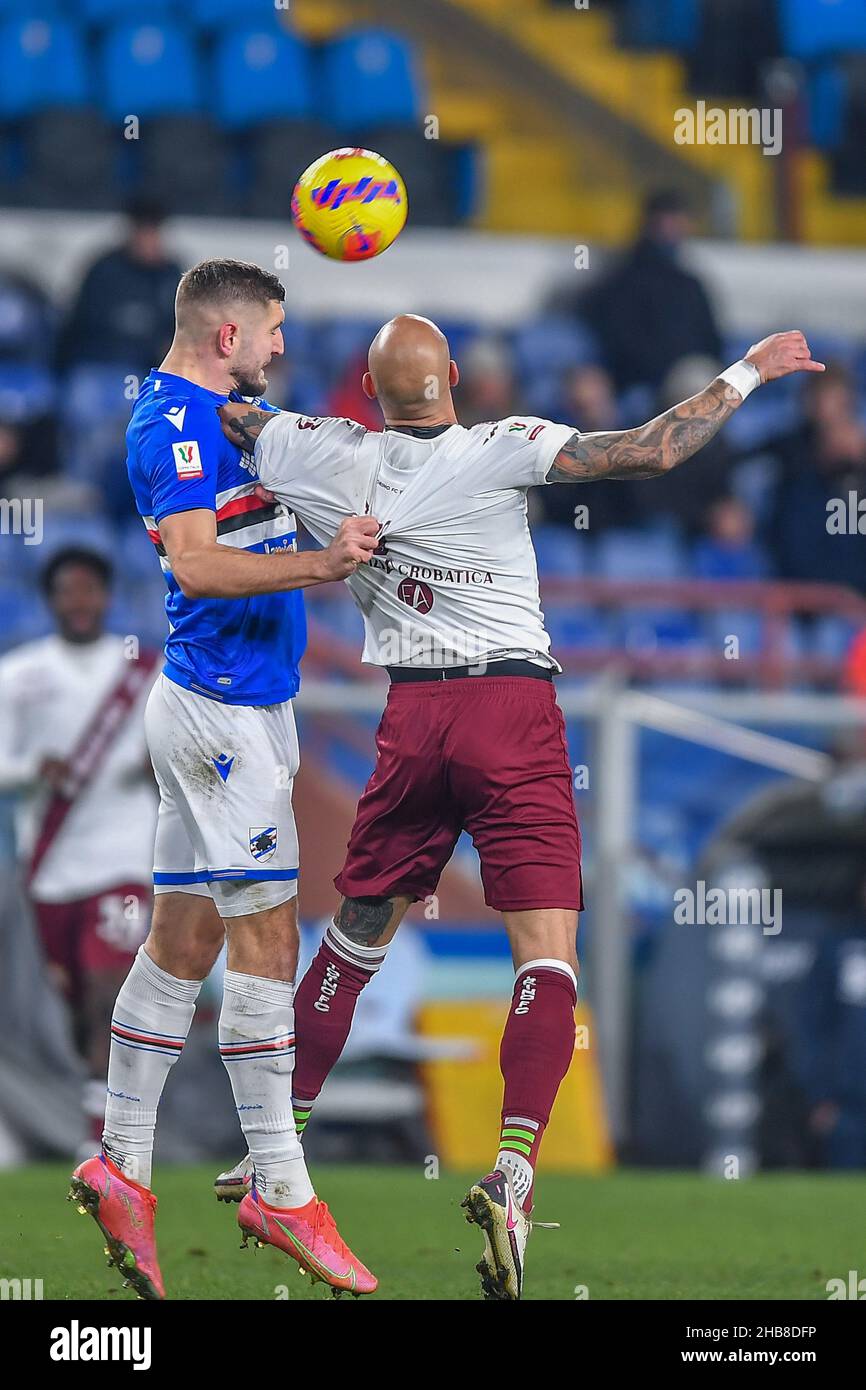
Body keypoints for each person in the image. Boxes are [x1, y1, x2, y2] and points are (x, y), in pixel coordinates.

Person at [215, 314, 824, 1299]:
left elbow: (234, 420)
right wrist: (748, 372)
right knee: (543, 957)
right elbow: (651, 448)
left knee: (355, 937)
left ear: (365, 393)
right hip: (511, 710)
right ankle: (512, 1168)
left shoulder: (315, 449)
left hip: (411, 717)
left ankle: (273, 1154)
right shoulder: (503, 445)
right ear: (454, 377)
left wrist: (241, 376)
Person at [68, 259, 380, 1301]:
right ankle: (281, 1189)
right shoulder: (175, 428)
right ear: (228, 331)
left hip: (234, 703)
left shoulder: (225, 408)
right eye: (274, 329)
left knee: (184, 939)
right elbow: (197, 564)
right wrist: (323, 566)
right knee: (267, 934)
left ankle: (121, 1161)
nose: (284, 346)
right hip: (221, 713)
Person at [0, 547, 159, 1157]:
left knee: (107, 991)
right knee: (76, 1011)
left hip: (123, 861)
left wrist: (161, 763)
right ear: (51, 599)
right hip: (51, 867)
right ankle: (99, 1105)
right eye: (69, 591)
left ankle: (104, 1142)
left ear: (106, 595)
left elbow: (177, 748)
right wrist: (32, 769)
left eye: (90, 590)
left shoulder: (144, 673)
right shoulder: (20, 673)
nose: (80, 602)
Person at [575, 188, 723, 395]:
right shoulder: (623, 281)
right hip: (642, 383)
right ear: (653, 223)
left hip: (690, 372)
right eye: (671, 220)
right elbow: (621, 343)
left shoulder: (690, 283)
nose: (678, 229)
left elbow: (712, 340)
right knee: (697, 388)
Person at [56, 197, 183, 376]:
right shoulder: (104, 270)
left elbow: (179, 327)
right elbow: (80, 321)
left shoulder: (170, 274)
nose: (148, 240)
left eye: (153, 232)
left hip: (147, 368)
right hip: (98, 363)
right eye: (142, 232)